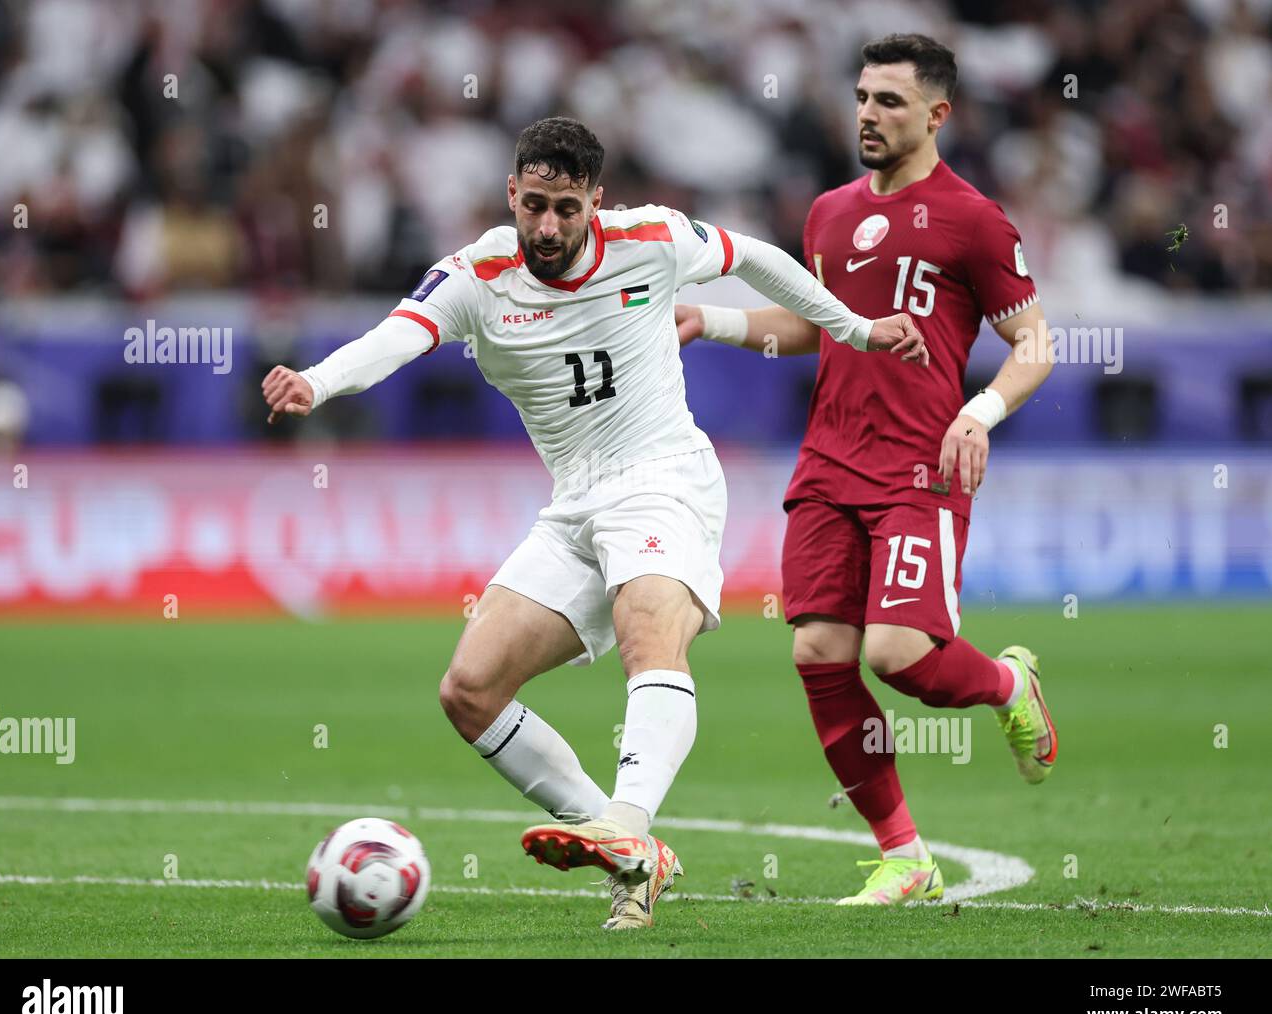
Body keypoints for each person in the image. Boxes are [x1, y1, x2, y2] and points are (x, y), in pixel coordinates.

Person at [262, 116, 926, 929]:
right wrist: (317, 383)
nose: (547, 226)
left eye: (566, 209)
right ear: (511, 193)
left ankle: (625, 824)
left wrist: (852, 328)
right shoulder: (478, 273)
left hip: (663, 480)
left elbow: (754, 257)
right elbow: (395, 338)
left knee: (650, 633)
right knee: (469, 690)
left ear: (594, 202)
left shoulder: (648, 238)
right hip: (574, 501)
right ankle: (626, 846)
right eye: (533, 205)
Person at [676, 34, 1058, 906]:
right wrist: (717, 319)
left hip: (919, 467)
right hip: (828, 461)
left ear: (937, 114)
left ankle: (1007, 680)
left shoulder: (975, 219)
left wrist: (980, 410)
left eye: (890, 101)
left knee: (899, 655)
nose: (868, 114)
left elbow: (1035, 341)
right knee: (819, 650)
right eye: (862, 97)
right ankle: (904, 854)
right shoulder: (828, 213)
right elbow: (818, 325)